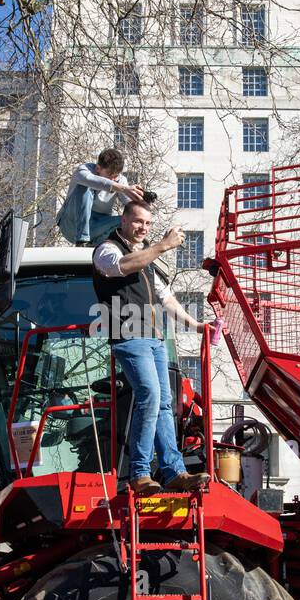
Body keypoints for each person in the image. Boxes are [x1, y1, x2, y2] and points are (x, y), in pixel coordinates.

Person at [92, 200, 209, 496]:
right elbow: (119, 268)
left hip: (153, 339)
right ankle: (140, 472)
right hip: (128, 335)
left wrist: (194, 325)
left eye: (147, 223)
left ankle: (174, 471)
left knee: (165, 403)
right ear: (124, 220)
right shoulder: (107, 249)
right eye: (138, 221)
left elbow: (165, 298)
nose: (143, 227)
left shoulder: (147, 262)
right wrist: (162, 246)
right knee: (150, 395)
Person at [57, 148, 146, 246]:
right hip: (71, 225)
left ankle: (95, 246)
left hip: (98, 225)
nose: (113, 179)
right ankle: (82, 238)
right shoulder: (84, 170)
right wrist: (123, 188)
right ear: (98, 168)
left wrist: (140, 199)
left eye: (115, 176)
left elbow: (128, 203)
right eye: (109, 174)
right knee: (84, 186)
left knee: (127, 220)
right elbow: (89, 179)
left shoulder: (121, 180)